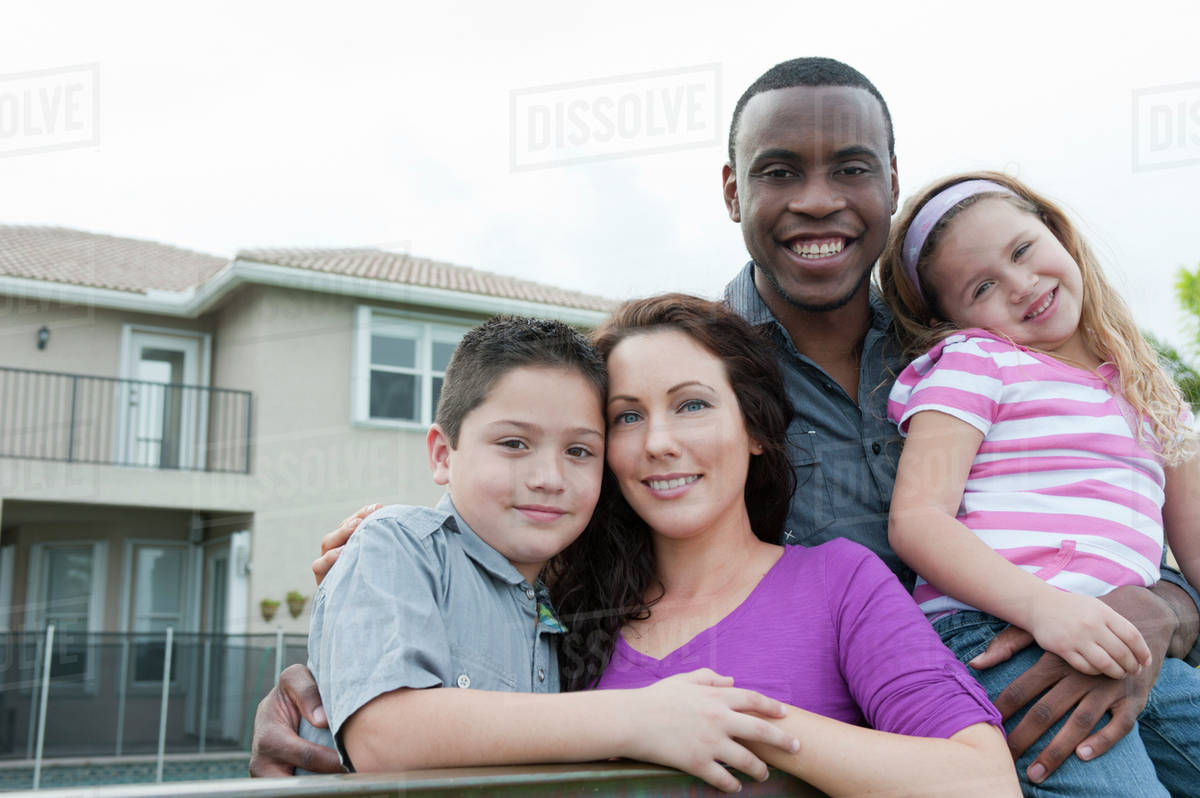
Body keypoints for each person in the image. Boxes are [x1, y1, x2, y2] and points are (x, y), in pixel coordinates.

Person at [250, 57, 1200, 791]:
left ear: (891, 181)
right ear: (732, 191)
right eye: (779, 170)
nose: (818, 199)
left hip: (996, 722)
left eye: (852, 169)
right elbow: (532, 517)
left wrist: (1163, 607)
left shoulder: (975, 343)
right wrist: (353, 657)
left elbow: (1102, 485)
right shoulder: (675, 365)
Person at [302, 314, 801, 790]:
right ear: (441, 454)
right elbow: (384, 737)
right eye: (514, 443)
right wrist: (638, 716)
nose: (548, 478)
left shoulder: (559, 602)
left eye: (579, 451)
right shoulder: (399, 545)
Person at [554, 294, 1017, 796]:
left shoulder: (839, 581)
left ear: (754, 427)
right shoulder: (564, 607)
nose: (658, 443)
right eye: (628, 416)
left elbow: (984, 781)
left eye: (692, 405)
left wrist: (738, 724)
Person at [878, 172, 1200, 796]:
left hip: (1132, 645)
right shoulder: (978, 361)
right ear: (952, 317)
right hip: (1001, 631)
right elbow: (917, 518)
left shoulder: (1153, 392)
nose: (1022, 286)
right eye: (982, 287)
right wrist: (1048, 610)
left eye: (1022, 250)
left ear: (1055, 229)